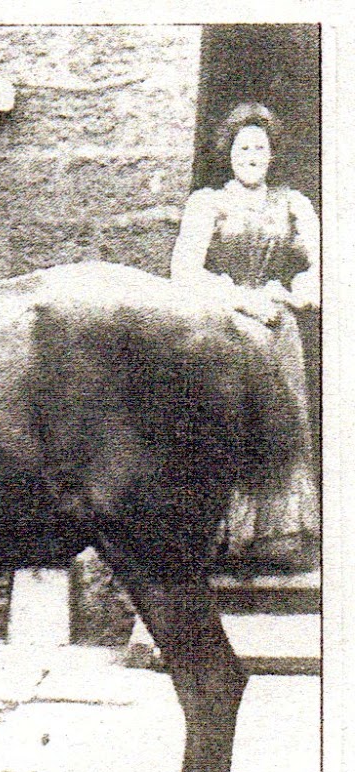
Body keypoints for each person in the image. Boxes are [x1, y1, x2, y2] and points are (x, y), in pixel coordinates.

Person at [170, 101, 320, 572]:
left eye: (260, 147)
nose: (251, 155)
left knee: (280, 425)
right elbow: (183, 270)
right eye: (242, 147)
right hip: (226, 330)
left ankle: (275, 538)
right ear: (229, 153)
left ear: (272, 154)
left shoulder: (295, 204)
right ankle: (219, 536)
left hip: (278, 332)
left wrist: (296, 292)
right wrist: (237, 296)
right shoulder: (208, 204)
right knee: (226, 425)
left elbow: (323, 265)